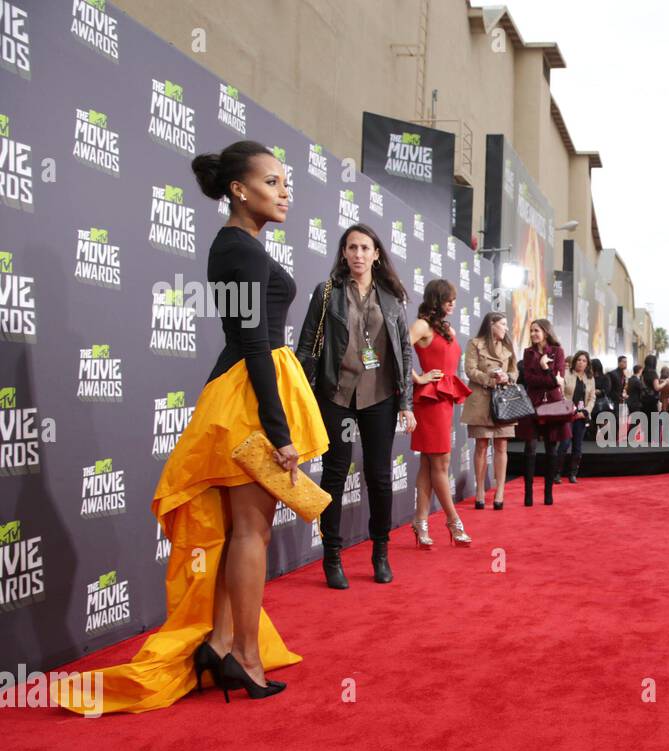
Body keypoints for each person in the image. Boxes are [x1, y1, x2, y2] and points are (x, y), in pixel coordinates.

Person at [59, 141, 327, 712]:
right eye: (273, 182)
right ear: (239, 189)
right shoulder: (242, 250)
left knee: (238, 533)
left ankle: (224, 642)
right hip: (249, 397)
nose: (285, 192)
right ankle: (245, 659)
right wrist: (280, 432)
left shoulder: (234, 246)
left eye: (286, 183)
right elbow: (255, 342)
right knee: (251, 532)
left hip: (238, 390)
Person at [297, 224, 413, 590]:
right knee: (334, 474)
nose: (359, 254)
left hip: (379, 397)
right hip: (337, 395)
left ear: (377, 253)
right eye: (352, 248)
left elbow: (404, 352)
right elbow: (306, 346)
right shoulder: (327, 292)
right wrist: (297, 394)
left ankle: (380, 552)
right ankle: (331, 555)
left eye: (365, 247)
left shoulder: (392, 298)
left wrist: (406, 402)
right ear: (344, 253)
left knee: (379, 476)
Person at [409, 278, 472, 546]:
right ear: (437, 300)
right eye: (449, 301)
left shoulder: (446, 329)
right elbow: (395, 350)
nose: (453, 305)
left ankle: (420, 523)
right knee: (441, 463)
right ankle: (453, 520)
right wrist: (417, 378)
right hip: (430, 401)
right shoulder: (422, 325)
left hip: (444, 401)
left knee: (428, 463)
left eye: (454, 301)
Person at [462, 310, 518, 511]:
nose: (506, 328)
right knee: (482, 446)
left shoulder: (508, 346)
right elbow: (470, 369)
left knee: (502, 446)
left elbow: (514, 371)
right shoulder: (475, 343)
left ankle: (500, 491)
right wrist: (489, 379)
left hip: (503, 401)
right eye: (502, 324)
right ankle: (479, 491)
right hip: (481, 400)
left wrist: (507, 377)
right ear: (491, 324)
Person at [517, 319, 569, 506]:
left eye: (536, 330)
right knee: (529, 448)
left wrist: (545, 367)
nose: (533, 334)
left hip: (553, 405)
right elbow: (529, 379)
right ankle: (528, 495)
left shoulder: (558, 352)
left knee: (551, 448)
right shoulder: (528, 353)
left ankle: (548, 493)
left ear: (546, 332)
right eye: (531, 331)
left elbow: (557, 381)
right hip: (532, 404)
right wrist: (547, 374)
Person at [559, 350, 595, 482]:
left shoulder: (590, 378)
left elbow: (592, 398)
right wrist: (572, 410)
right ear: (575, 361)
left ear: (587, 363)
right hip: (568, 414)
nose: (581, 363)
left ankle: (573, 474)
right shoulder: (567, 374)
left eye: (584, 361)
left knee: (578, 446)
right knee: (565, 443)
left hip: (582, 416)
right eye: (579, 360)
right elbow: (561, 393)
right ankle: (557, 473)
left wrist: (585, 411)